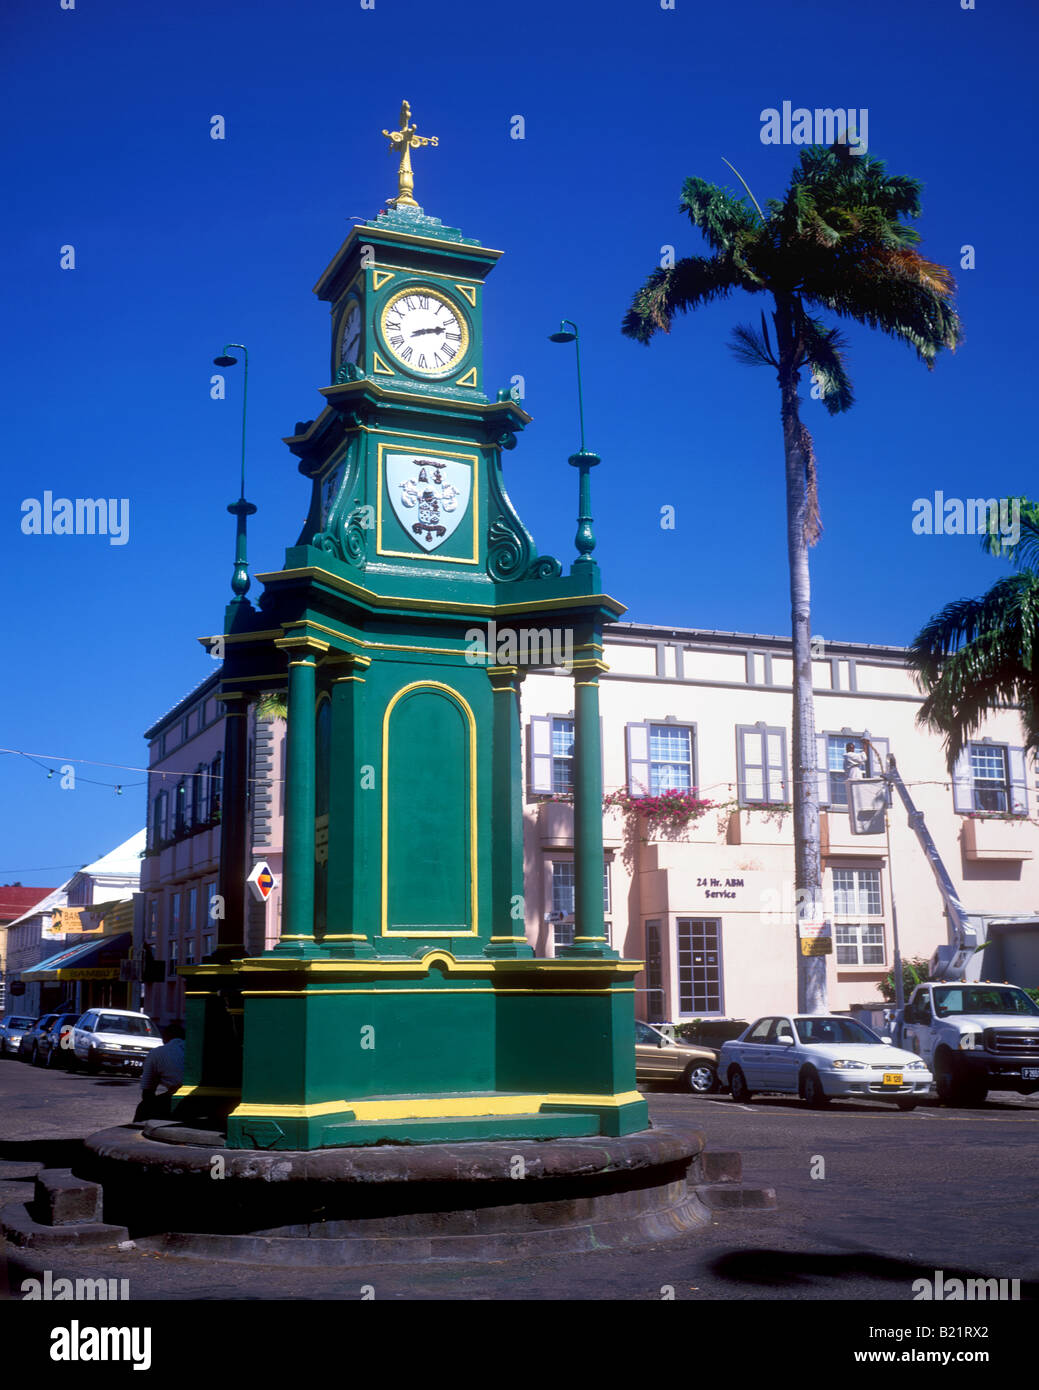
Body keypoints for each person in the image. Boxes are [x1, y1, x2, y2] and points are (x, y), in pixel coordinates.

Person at [135, 1021, 186, 1121]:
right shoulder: (195, 1049)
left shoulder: (157, 1052)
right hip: (207, 1097)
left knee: (143, 1107)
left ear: (164, 1038)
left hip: (182, 1098)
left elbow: (147, 1092)